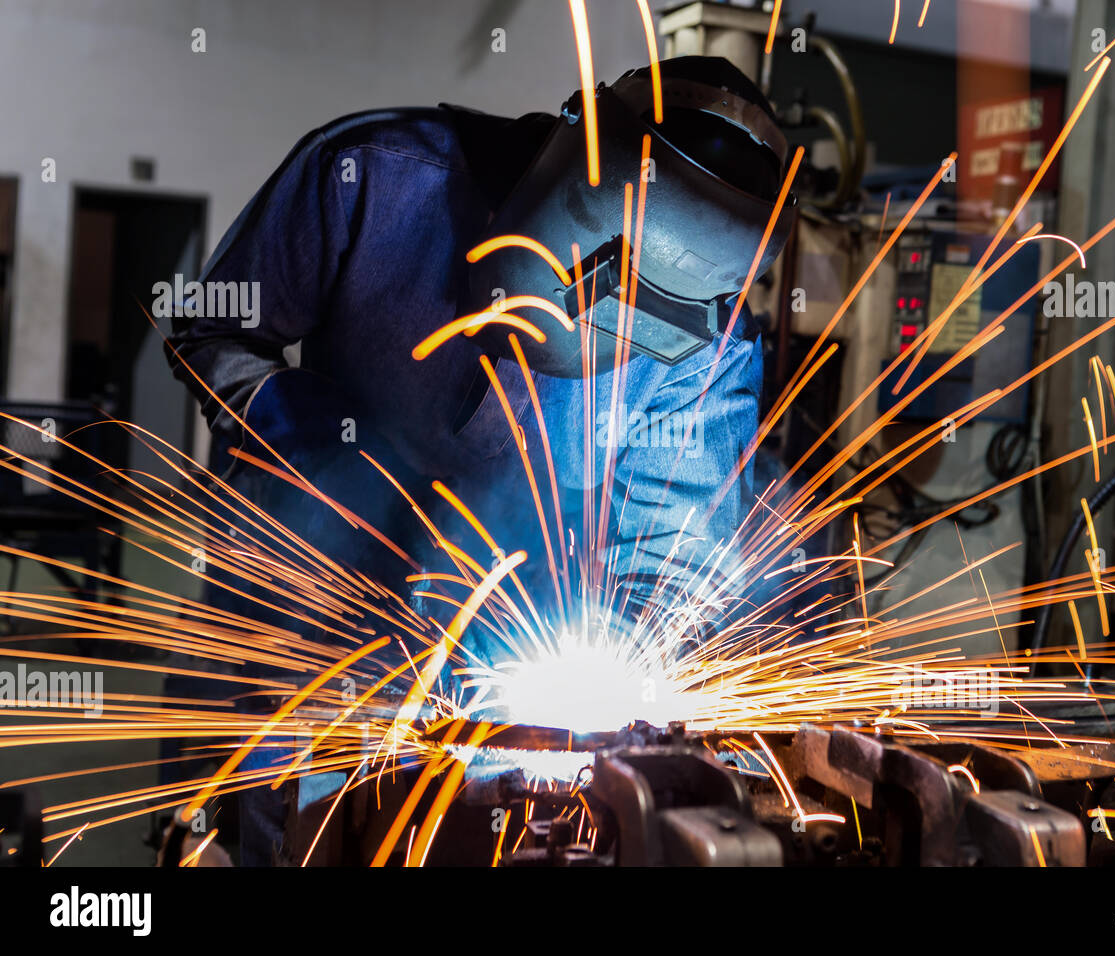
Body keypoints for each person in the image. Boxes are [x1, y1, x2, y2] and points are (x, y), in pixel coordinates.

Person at [165, 55, 795, 864]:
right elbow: (212, 325)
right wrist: (317, 459)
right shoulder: (372, 175)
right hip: (307, 605)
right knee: (283, 824)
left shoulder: (713, 342)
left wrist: (624, 661)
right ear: (579, 162)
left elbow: (673, 547)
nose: (624, 328)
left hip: (505, 645)